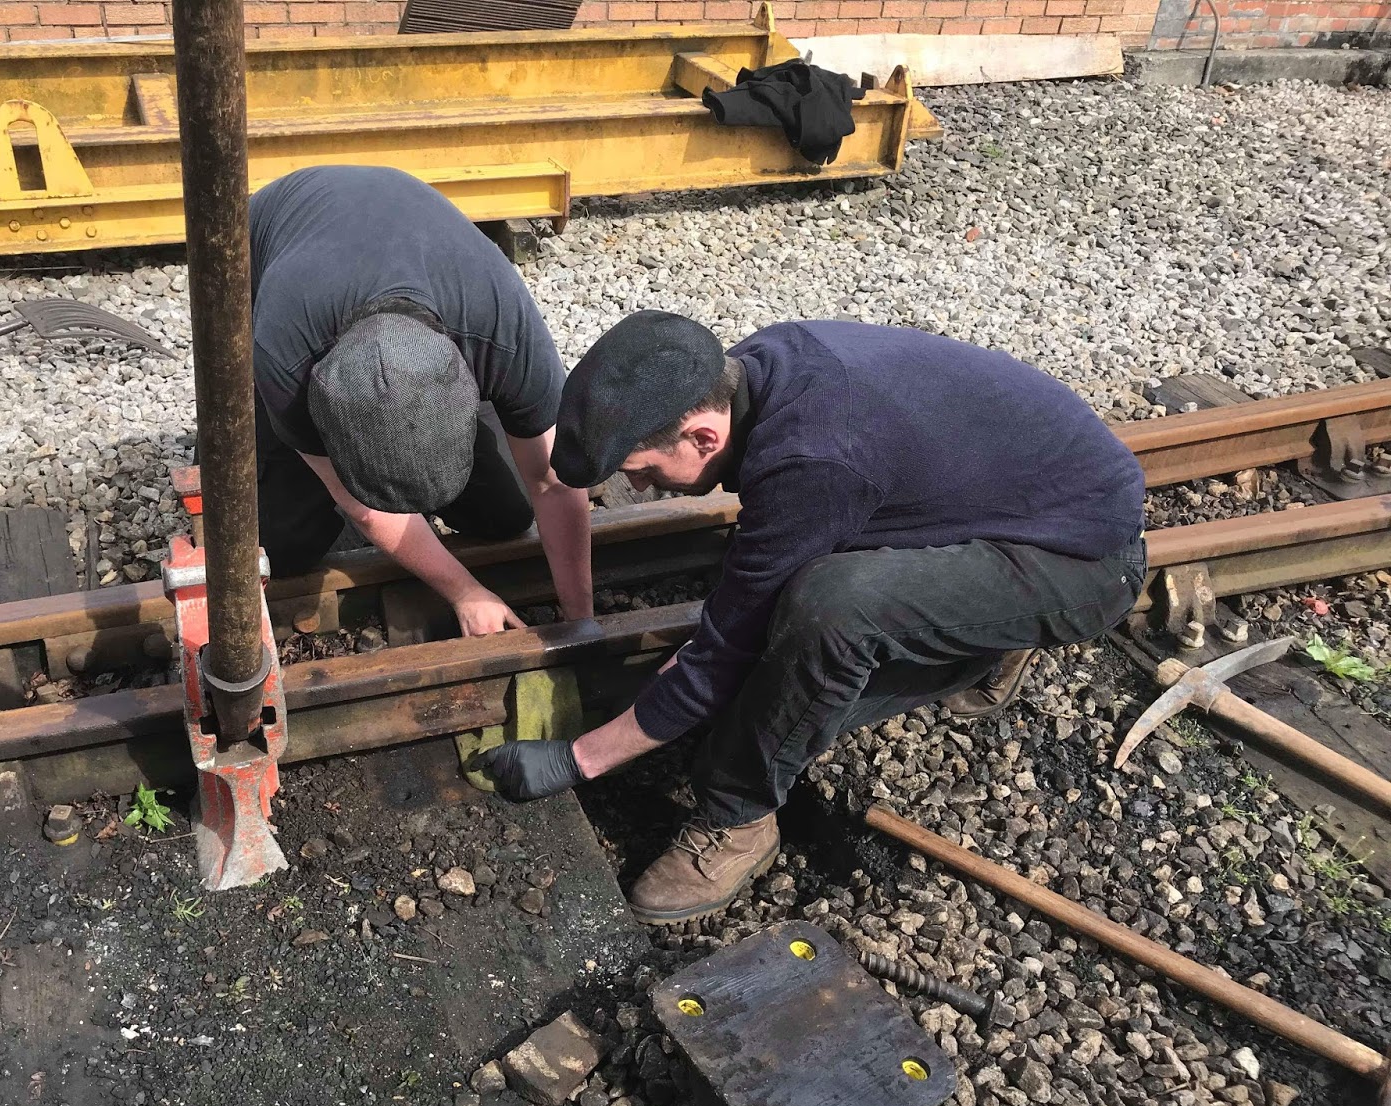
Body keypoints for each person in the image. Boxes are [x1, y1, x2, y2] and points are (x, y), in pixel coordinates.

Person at [477, 313, 1147, 925]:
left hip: (1080, 562)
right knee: (776, 598)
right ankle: (973, 625)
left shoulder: (816, 456)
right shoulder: (761, 370)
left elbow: (719, 660)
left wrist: (577, 760)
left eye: (641, 472)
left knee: (831, 612)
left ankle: (739, 818)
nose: (642, 490)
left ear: (702, 433)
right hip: (1016, 508)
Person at [247, 166, 592, 634]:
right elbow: (362, 507)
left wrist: (581, 622)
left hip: (409, 245)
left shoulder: (503, 332)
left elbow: (552, 482)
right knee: (283, 548)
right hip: (276, 241)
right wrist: (464, 591)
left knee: (506, 515)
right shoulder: (285, 352)